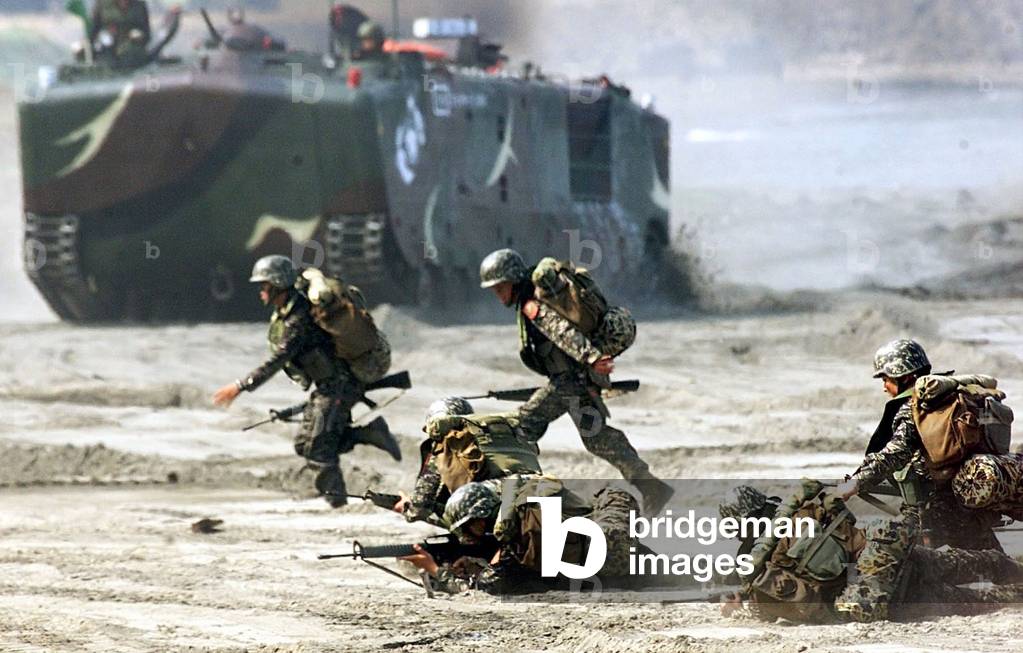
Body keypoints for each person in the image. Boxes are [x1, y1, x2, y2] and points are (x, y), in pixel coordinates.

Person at [478, 248, 673, 515]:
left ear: (513, 280)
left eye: (500, 288)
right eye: (495, 290)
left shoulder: (532, 303)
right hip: (578, 379)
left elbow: (561, 330)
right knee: (597, 437)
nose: (498, 295)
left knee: (523, 427)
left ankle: (508, 499)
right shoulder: (534, 296)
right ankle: (651, 487)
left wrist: (590, 357)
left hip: (569, 381)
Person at [212, 255, 400, 508]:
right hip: (329, 387)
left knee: (318, 448)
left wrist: (240, 386)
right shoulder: (291, 312)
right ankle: (370, 433)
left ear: (277, 284)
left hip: (339, 386)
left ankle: (337, 502)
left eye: (264, 285)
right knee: (304, 444)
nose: (261, 291)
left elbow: (279, 359)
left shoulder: (299, 318)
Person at [718, 482, 1023, 623]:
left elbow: (775, 611)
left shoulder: (754, 567)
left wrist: (739, 604)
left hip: (878, 589)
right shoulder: (799, 509)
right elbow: (846, 519)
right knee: (971, 563)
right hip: (886, 554)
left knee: (973, 599)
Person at [835, 339, 1002, 551]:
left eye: (886, 379)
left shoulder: (916, 407)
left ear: (904, 376)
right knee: (997, 562)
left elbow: (895, 453)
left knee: (897, 561)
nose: (884, 387)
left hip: (932, 512)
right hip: (965, 502)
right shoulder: (950, 397)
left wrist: (856, 483)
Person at [399, 475, 638, 594]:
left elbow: (486, 585)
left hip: (607, 550)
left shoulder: (513, 539)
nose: (468, 536)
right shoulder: (519, 501)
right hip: (613, 508)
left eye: (468, 528)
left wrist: (435, 570)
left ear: (480, 519)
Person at [396, 396, 542, 525]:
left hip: (497, 503)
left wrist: (407, 508)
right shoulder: (495, 435)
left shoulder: (448, 444)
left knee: (461, 503)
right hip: (538, 488)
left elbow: (421, 507)